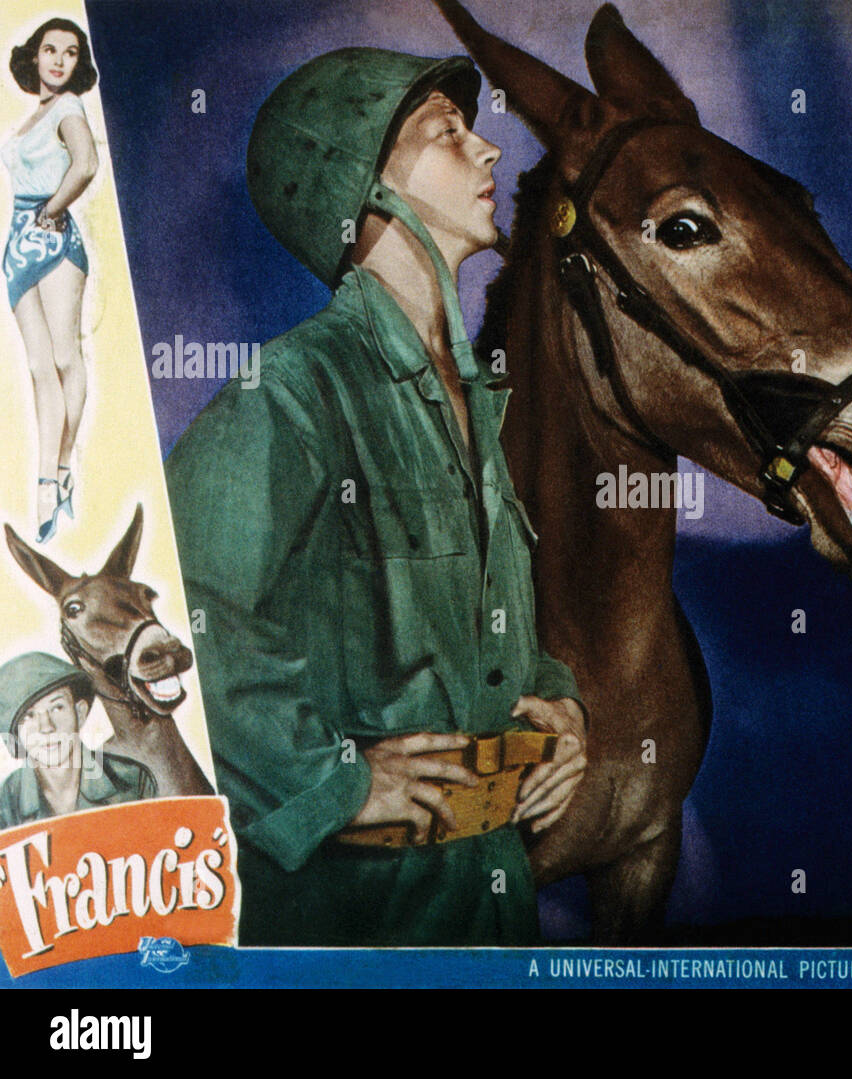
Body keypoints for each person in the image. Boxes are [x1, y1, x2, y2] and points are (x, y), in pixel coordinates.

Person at [164, 48, 587, 946]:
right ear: (363, 189)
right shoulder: (285, 394)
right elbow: (190, 626)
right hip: (362, 929)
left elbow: (489, 639)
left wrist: (562, 710)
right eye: (447, 131)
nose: (491, 153)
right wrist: (341, 784)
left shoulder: (475, 400)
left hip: (491, 904)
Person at [3, 18, 99, 542]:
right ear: (34, 57)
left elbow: (85, 164)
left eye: (69, 52)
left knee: (65, 359)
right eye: (49, 50)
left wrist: (52, 210)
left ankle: (55, 474)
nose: (59, 60)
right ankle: (51, 479)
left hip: (55, 240)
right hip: (18, 245)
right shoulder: (32, 116)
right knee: (40, 367)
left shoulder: (68, 107)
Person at [0, 652, 156, 829]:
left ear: (80, 713)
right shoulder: (5, 803)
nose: (46, 727)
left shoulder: (132, 781)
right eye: (29, 716)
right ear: (15, 734)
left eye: (57, 707)